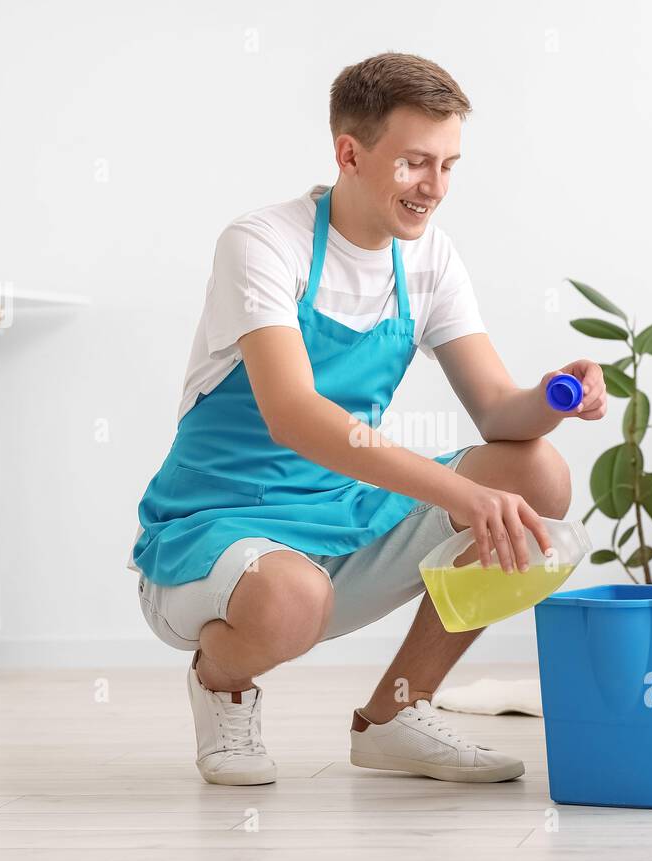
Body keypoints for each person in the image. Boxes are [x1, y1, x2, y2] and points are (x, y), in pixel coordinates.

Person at [129, 52, 606, 786]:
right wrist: (458, 496)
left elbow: (497, 412)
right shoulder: (262, 244)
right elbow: (295, 416)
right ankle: (221, 684)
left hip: (344, 521)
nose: (435, 189)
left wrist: (552, 397)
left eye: (449, 165)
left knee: (534, 471)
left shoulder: (430, 261)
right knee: (292, 597)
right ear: (349, 153)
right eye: (416, 163)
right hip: (218, 537)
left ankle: (395, 714)